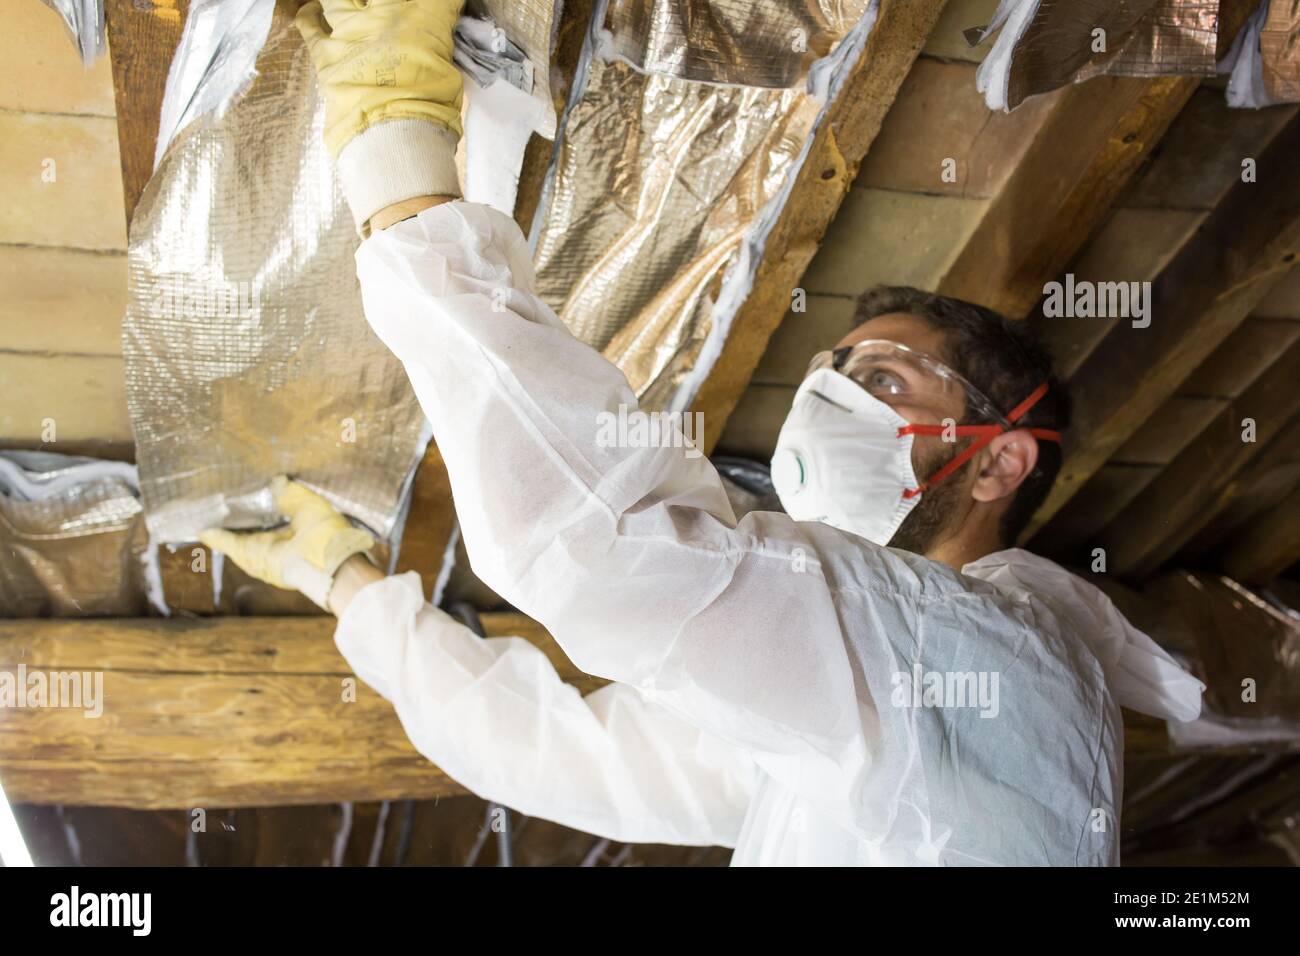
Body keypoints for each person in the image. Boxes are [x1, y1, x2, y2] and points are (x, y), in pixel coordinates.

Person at [202, 0, 1204, 866]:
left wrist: (395, 142)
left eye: (882, 380)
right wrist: (352, 587)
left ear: (997, 457)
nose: (826, 404)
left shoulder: (997, 661)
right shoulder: (852, 718)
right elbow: (552, 750)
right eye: (830, 375)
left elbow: (599, 540)